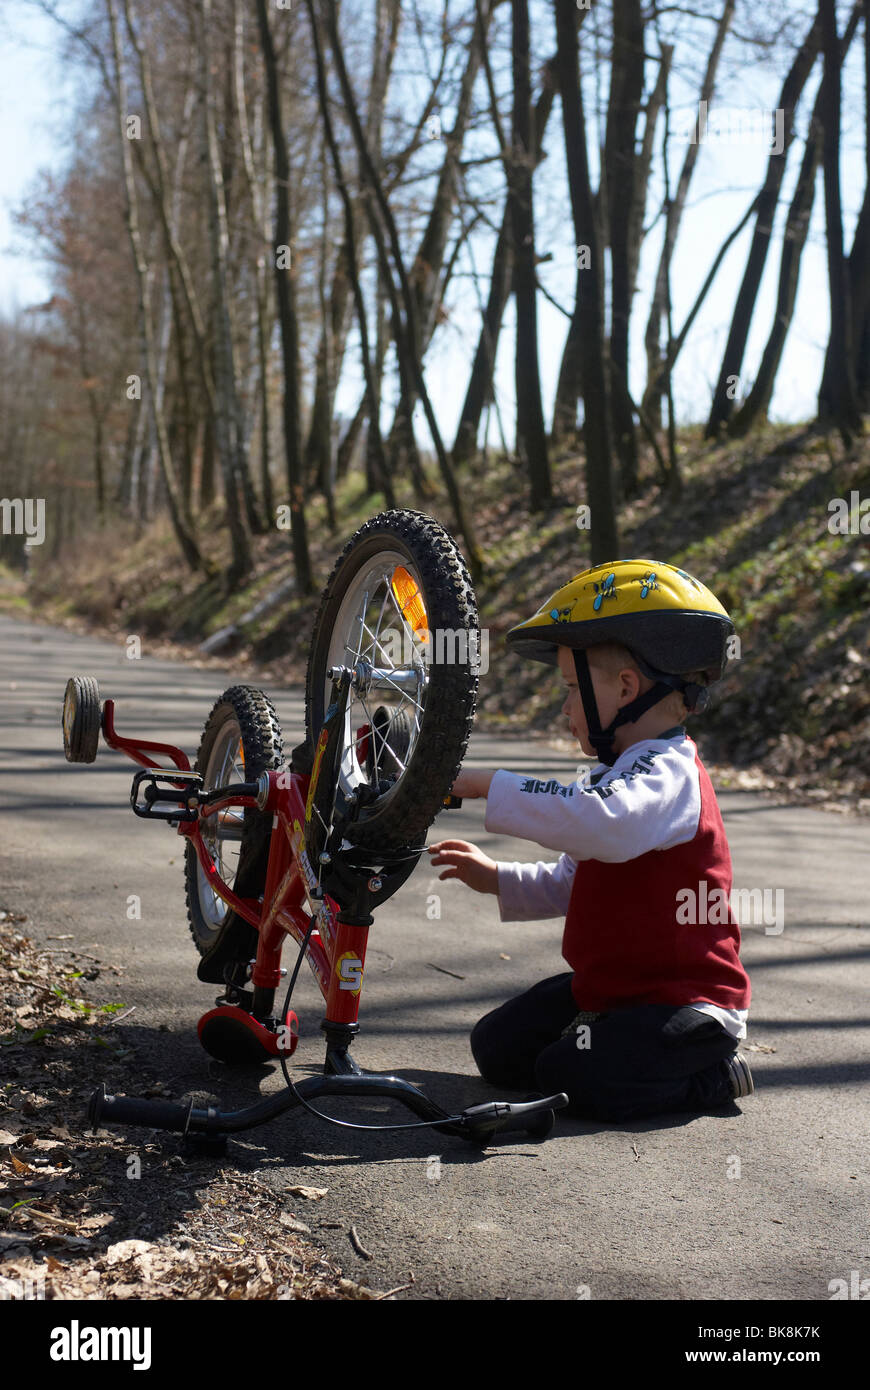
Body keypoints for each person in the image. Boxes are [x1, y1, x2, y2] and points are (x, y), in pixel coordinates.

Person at [427, 559, 753, 1121]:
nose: (564, 707)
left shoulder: (668, 773)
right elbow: (573, 879)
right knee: (497, 1047)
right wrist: (497, 879)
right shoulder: (617, 776)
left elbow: (599, 823)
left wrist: (487, 785)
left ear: (626, 688)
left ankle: (713, 1077)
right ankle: (609, 1047)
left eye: (573, 689)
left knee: (570, 1075)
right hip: (614, 994)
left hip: (685, 1006)